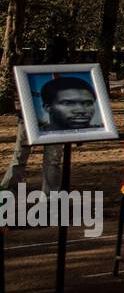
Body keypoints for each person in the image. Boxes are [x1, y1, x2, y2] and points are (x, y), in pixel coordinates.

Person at [2, 36, 71, 194]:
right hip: (31, 118)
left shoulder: (66, 70)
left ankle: (48, 195)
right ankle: (7, 190)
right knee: (22, 157)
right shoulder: (36, 69)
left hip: (51, 120)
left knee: (50, 160)